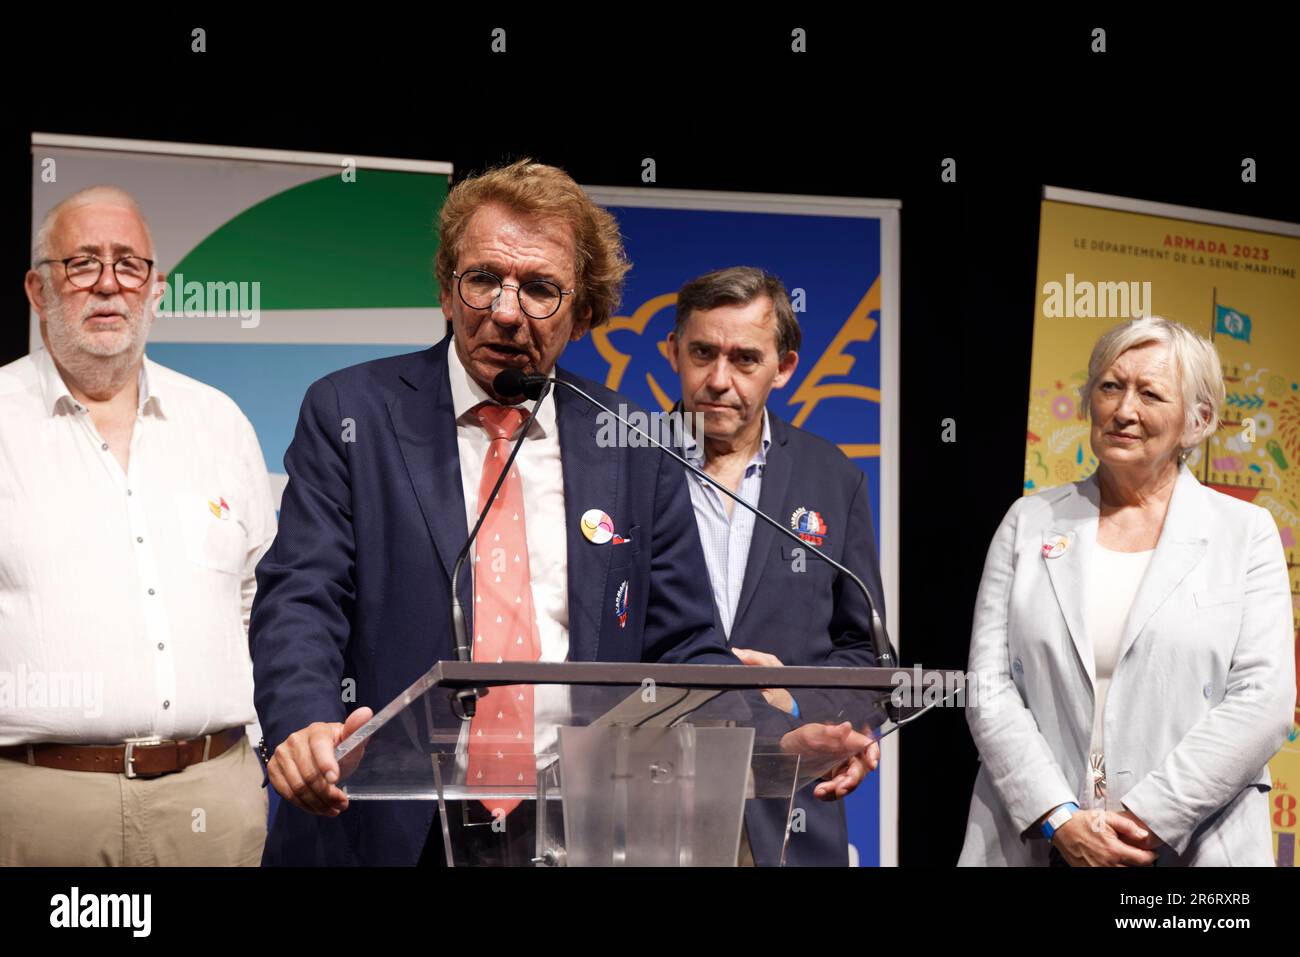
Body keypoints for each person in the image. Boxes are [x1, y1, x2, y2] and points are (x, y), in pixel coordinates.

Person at [250, 160, 877, 866]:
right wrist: (303, 717)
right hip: (383, 822)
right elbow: (302, 596)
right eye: (483, 278)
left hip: (571, 831)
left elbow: (685, 647)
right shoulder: (350, 412)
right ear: (445, 288)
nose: (507, 310)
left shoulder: (633, 440)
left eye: (541, 288)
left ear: (584, 315)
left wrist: (778, 735)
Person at [0, 186, 276, 865]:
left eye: (129, 265)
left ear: (155, 289)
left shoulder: (220, 423)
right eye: (82, 263)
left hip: (215, 797)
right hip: (39, 803)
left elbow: (260, 599)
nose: (108, 285)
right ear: (38, 289)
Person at [959, 317, 1295, 866]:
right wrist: (1060, 818)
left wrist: (1145, 820)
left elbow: (1264, 702)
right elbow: (988, 688)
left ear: (1198, 420)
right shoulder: (1029, 521)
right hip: (1039, 842)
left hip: (1196, 845)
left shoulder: (1245, 533)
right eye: (1110, 386)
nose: (1123, 410)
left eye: (1151, 394)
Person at [665, 266, 885, 866]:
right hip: (649, 800)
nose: (718, 380)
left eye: (745, 360)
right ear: (672, 352)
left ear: (783, 368)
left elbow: (864, 654)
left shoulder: (832, 477)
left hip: (789, 809)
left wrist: (797, 707)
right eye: (702, 353)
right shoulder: (625, 462)